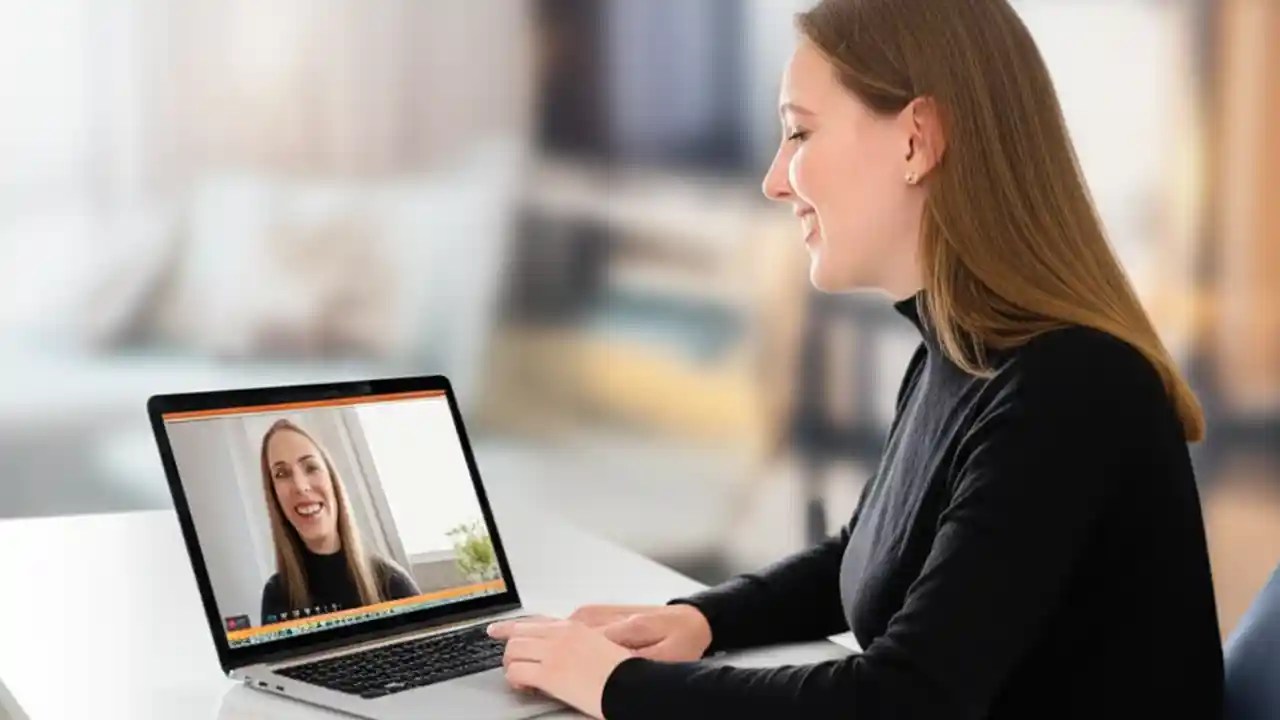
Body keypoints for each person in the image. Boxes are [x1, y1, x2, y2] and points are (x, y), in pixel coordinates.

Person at [487, 0, 1226, 718]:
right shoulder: (961, 354)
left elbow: (904, 699)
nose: (775, 179)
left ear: (916, 140)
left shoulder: (1071, 389)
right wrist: (703, 621)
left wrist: (618, 689)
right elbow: (877, 558)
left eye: (799, 134)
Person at [258, 418, 420, 624]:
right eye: (282, 474)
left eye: (310, 467)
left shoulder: (392, 583)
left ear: (332, 481)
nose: (300, 486)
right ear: (274, 496)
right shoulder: (276, 597)